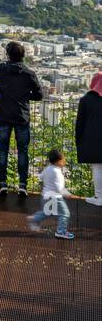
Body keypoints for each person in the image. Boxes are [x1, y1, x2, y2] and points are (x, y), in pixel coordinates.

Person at [0, 42, 44, 197]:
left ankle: (2, 184)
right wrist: (25, 96)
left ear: (8, 55)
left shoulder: (2, 69)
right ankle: (22, 185)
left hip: (4, 115)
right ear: (23, 55)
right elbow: (39, 95)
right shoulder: (29, 73)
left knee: (2, 150)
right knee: (22, 151)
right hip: (21, 116)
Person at [26, 149, 73, 239]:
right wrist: (67, 194)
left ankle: (34, 219)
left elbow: (41, 177)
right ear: (59, 161)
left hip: (45, 196)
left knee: (46, 212)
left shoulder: (48, 168)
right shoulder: (57, 172)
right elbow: (59, 188)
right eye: (64, 159)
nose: (65, 161)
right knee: (65, 214)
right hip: (55, 198)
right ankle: (61, 232)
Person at [73, 72, 102, 206]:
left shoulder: (86, 99)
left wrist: (78, 139)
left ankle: (99, 196)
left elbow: (80, 122)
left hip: (92, 139)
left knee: (97, 168)